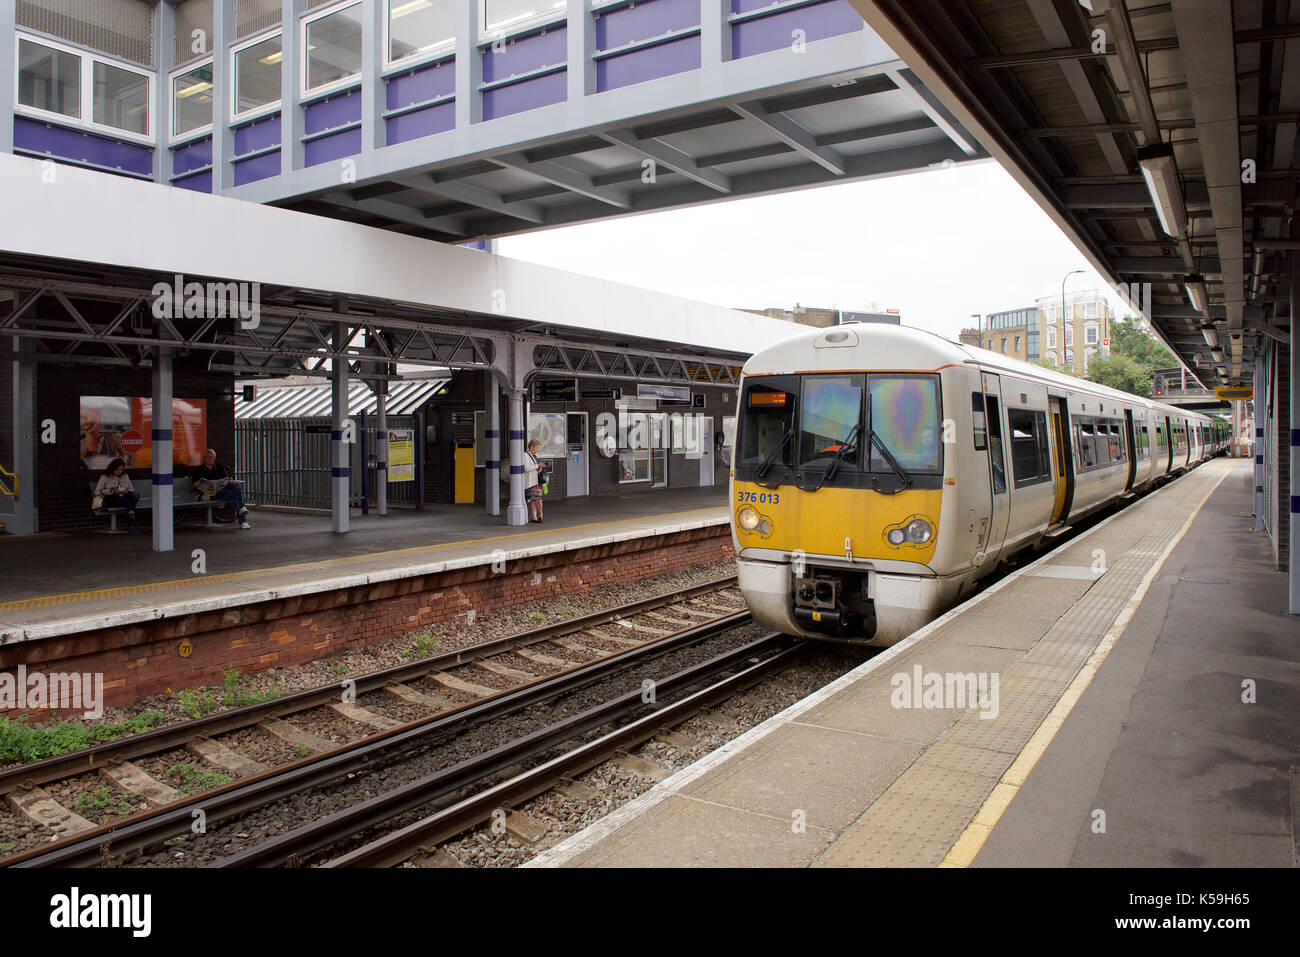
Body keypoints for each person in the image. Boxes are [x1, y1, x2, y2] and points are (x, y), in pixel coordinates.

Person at [192, 448, 251, 529]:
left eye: (212, 457)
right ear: (204, 458)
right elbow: (195, 484)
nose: (210, 459)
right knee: (237, 495)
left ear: (214, 458)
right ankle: (243, 518)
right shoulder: (199, 469)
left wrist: (230, 481)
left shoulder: (219, 466)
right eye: (208, 457)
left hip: (222, 489)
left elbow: (226, 479)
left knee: (236, 485)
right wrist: (204, 482)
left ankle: (242, 513)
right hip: (211, 493)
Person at [93, 458, 143, 534]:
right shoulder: (105, 477)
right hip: (111, 499)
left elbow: (131, 490)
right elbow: (97, 492)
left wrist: (126, 491)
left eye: (121, 469)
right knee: (131, 499)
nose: (119, 472)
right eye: (117, 469)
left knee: (134, 495)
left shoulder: (125, 476)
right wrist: (111, 491)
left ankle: (131, 515)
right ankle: (131, 518)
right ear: (112, 468)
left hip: (124, 498)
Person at [523, 439, 549, 523]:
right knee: (538, 499)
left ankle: (534, 517)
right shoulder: (525, 456)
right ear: (531, 447)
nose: (537, 450)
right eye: (536, 448)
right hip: (530, 481)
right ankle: (540, 514)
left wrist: (540, 466)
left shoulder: (534, 456)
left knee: (534, 499)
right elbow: (526, 468)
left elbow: (535, 467)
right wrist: (537, 465)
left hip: (535, 481)